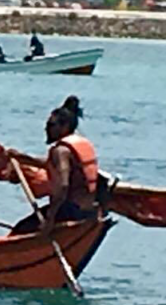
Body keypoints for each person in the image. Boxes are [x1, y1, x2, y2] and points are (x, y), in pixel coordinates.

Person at [10, 96, 100, 234]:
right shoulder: (79, 144)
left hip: (71, 211)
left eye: (51, 125)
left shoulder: (61, 151)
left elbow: (63, 186)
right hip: (88, 211)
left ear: (65, 127)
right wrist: (20, 157)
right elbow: (51, 165)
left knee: (19, 231)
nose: (46, 129)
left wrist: (50, 218)